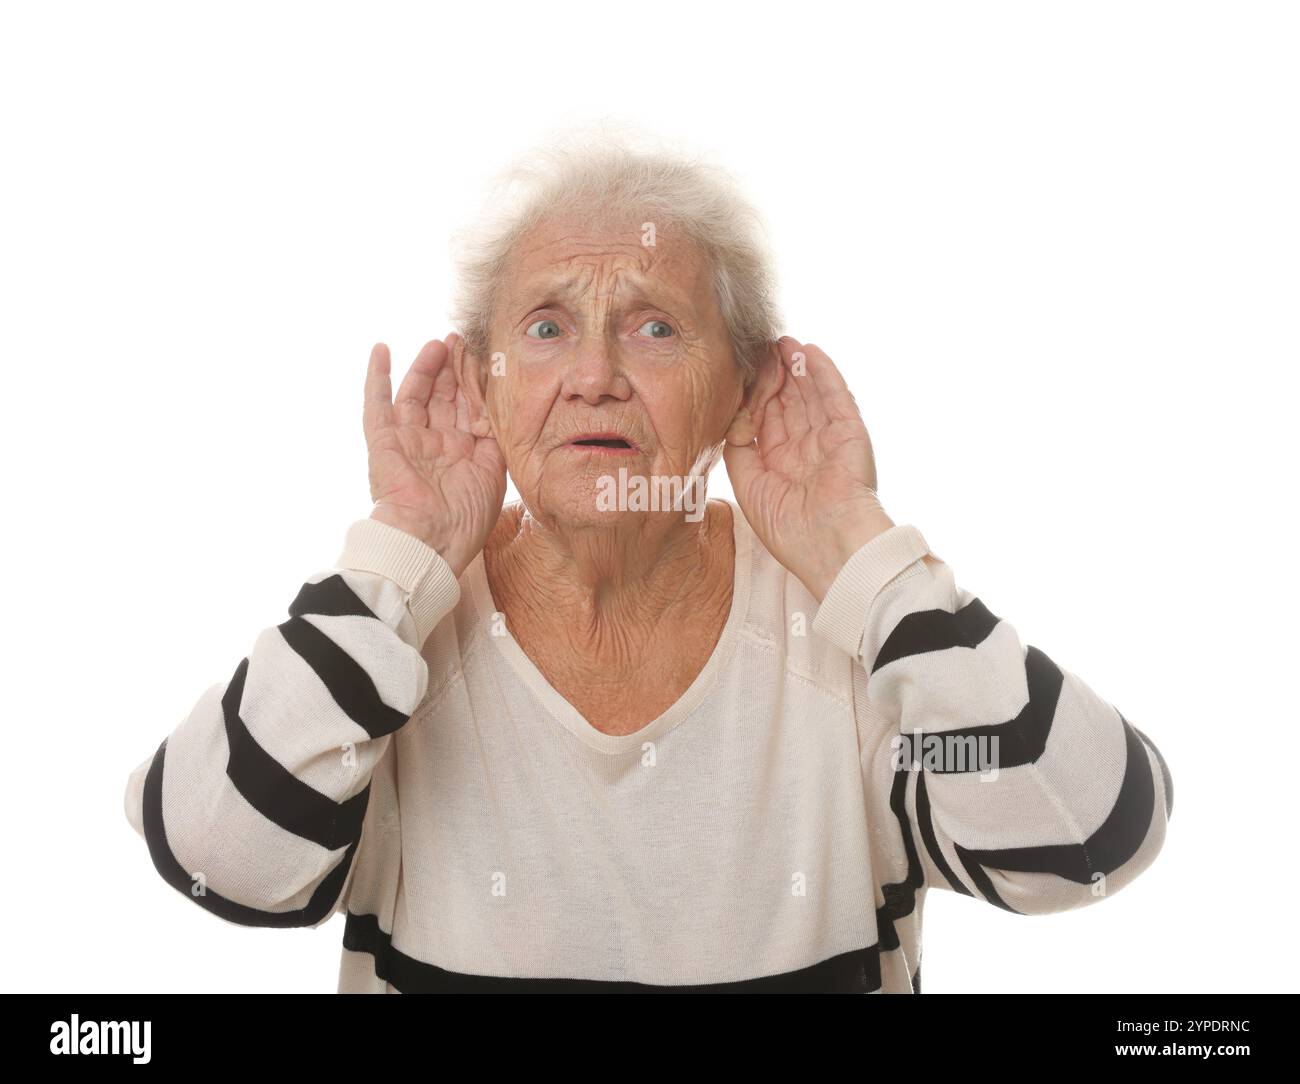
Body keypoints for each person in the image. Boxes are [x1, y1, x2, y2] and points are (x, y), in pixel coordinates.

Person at [123, 129, 1173, 993]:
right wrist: (399, 556)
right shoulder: (388, 653)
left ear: (744, 390)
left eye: (655, 328)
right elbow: (215, 858)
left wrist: (860, 551)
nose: (592, 375)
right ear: (483, 385)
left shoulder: (850, 651)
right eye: (544, 327)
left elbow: (1089, 835)